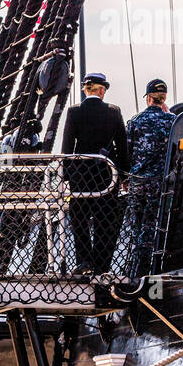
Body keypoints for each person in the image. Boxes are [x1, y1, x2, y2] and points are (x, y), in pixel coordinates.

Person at [60, 71, 130, 275]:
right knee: (105, 221)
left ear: (86, 89)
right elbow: (122, 147)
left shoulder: (74, 112)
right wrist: (124, 175)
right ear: (101, 90)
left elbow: (67, 148)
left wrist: (66, 177)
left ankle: (84, 262)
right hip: (106, 177)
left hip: (80, 177)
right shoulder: (114, 112)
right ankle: (101, 266)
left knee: (79, 219)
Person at [124, 79, 177, 273]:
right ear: (163, 99)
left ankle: (136, 269)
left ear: (148, 98)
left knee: (137, 226)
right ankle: (150, 268)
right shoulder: (172, 121)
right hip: (160, 183)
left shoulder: (135, 121)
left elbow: (126, 152)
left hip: (137, 182)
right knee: (154, 225)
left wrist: (125, 179)